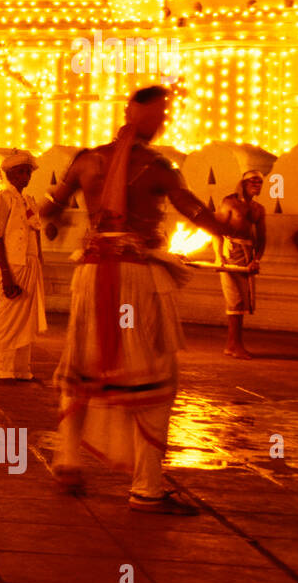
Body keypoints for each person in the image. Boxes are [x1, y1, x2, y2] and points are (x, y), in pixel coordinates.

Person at [40, 85, 237, 514]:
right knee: (155, 377)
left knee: (81, 368)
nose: (164, 122)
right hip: (134, 278)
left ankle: (67, 462)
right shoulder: (159, 167)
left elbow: (50, 209)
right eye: (160, 114)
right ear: (140, 115)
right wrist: (233, 229)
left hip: (91, 273)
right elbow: (194, 212)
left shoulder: (85, 160)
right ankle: (146, 487)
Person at [0, 150, 46, 380]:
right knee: (8, 318)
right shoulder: (2, 199)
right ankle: (3, 369)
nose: (26, 176)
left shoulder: (29, 201)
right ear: (10, 175)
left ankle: (21, 369)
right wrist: (6, 273)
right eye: (22, 172)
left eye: (28, 172)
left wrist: (40, 261)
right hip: (13, 264)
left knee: (24, 321)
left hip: (30, 264)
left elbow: (37, 233)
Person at [214, 170, 267, 360]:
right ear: (243, 183)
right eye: (253, 181)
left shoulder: (258, 209)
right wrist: (219, 256)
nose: (257, 184)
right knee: (234, 301)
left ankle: (232, 345)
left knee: (242, 303)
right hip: (229, 253)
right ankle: (234, 345)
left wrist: (256, 259)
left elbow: (262, 239)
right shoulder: (229, 203)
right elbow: (216, 231)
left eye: (260, 182)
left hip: (247, 256)